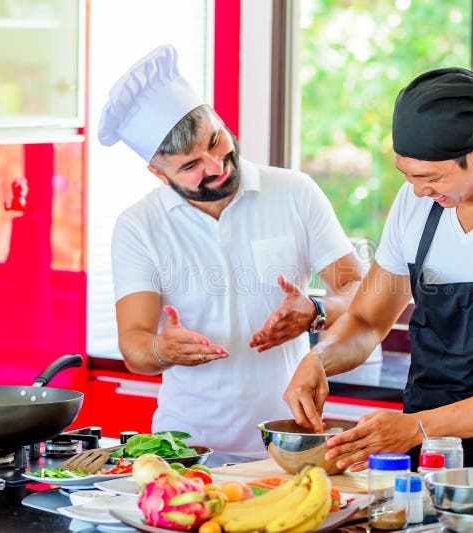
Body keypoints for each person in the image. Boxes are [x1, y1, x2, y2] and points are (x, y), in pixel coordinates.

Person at [283, 67, 473, 474]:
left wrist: (418, 427)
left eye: (429, 177)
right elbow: (366, 320)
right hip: (418, 455)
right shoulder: (415, 204)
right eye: (406, 175)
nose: (417, 191)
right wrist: (319, 359)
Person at [98, 45, 362, 457]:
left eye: (215, 141)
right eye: (191, 166)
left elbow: (362, 292)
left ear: (220, 121)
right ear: (158, 173)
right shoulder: (139, 226)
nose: (216, 166)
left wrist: (317, 309)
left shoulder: (294, 192)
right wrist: (160, 350)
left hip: (287, 439)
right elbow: (134, 345)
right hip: (186, 450)